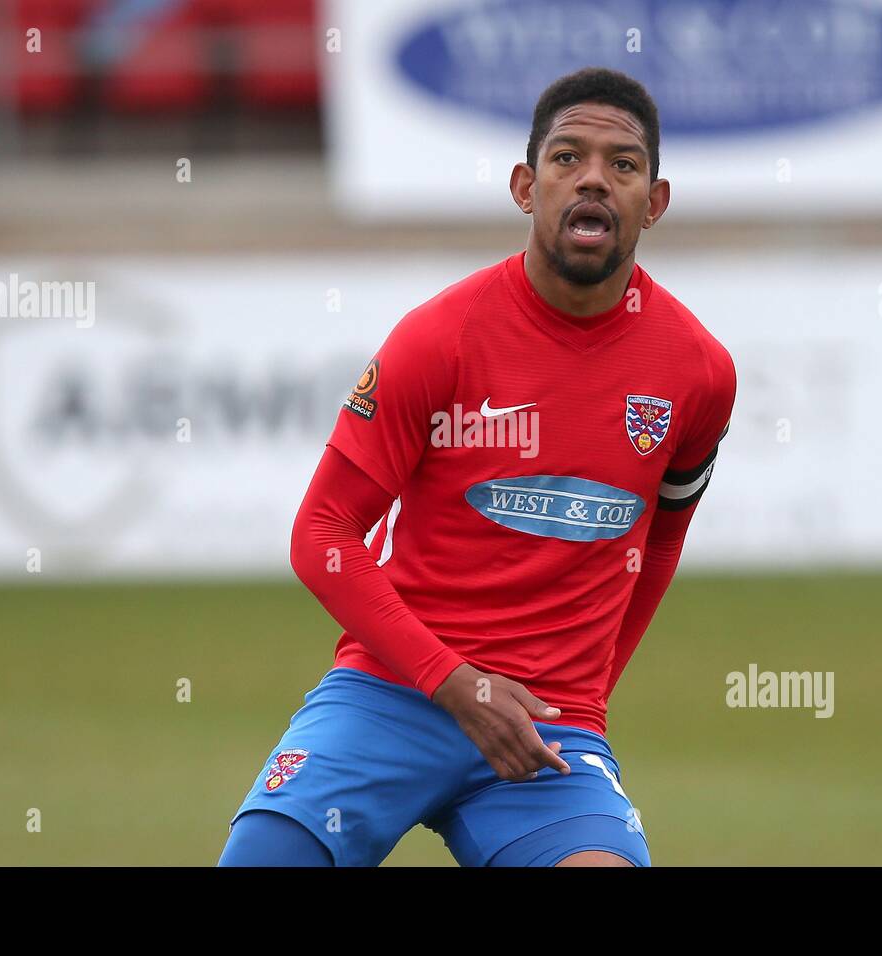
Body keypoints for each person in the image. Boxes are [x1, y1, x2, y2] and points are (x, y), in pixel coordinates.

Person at [219, 66, 736, 867]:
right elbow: (322, 533)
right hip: (392, 694)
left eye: (623, 165)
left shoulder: (698, 372)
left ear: (654, 202)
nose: (594, 178)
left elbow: (659, 543)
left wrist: (586, 700)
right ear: (526, 186)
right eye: (567, 158)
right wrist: (454, 683)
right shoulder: (440, 339)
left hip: (547, 724)